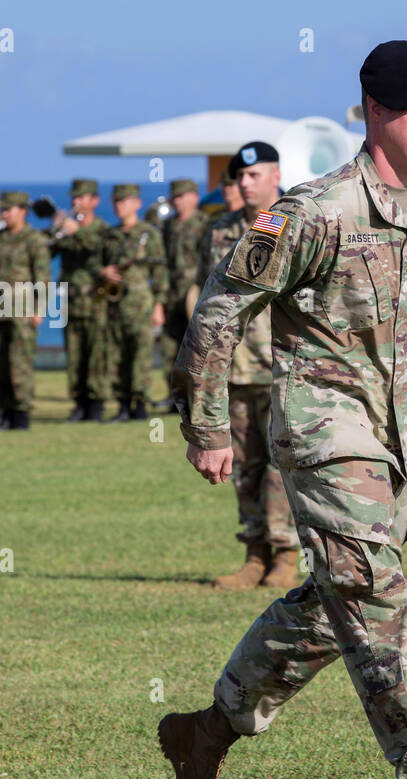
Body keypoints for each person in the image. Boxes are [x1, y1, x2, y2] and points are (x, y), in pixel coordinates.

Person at [159, 40, 407, 779]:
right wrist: (209, 426)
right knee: (377, 594)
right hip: (325, 428)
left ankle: (206, 733)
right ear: (377, 112)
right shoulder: (311, 212)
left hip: (402, 433)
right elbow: (221, 312)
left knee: (336, 604)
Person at [197, 143, 299, 592]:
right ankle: (254, 552)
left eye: (254, 175)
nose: (244, 183)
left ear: (275, 175)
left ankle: (286, 554)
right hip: (234, 368)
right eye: (240, 176)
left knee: (282, 465)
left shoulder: (293, 224)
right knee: (244, 464)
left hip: (282, 365)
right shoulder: (220, 231)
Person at [101, 184, 167, 422]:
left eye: (126, 201)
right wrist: (104, 271)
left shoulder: (149, 234)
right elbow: (97, 264)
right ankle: (122, 404)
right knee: (116, 354)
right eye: (117, 202)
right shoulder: (110, 235)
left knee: (141, 355)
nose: (121, 206)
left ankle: (140, 404)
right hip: (115, 302)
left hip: (140, 302)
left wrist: (159, 305)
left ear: (137, 204)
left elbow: (159, 272)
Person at [0, 191, 50, 430]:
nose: (5, 213)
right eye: (3, 209)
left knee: (19, 363)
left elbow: (42, 276)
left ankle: (21, 413)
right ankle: (4, 412)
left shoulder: (33, 239)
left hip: (23, 310)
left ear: (23, 211)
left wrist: (38, 309)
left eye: (10, 209)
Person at [51, 178, 109, 422]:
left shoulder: (102, 229)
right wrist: (56, 229)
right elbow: (48, 250)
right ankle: (78, 403)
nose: (76, 202)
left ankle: (96, 404)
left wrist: (79, 231)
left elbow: (99, 249)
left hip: (95, 301)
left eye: (82, 197)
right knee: (74, 355)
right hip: (70, 299)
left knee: (96, 354)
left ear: (94, 201)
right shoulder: (67, 228)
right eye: (74, 197)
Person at [158, 178, 208, 409]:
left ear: (193, 197)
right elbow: (162, 262)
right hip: (172, 294)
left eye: (181, 197)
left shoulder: (204, 224)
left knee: (197, 349)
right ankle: (174, 397)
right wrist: (159, 298)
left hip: (195, 295)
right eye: (174, 197)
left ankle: (197, 396)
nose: (177, 201)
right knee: (170, 349)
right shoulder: (169, 226)